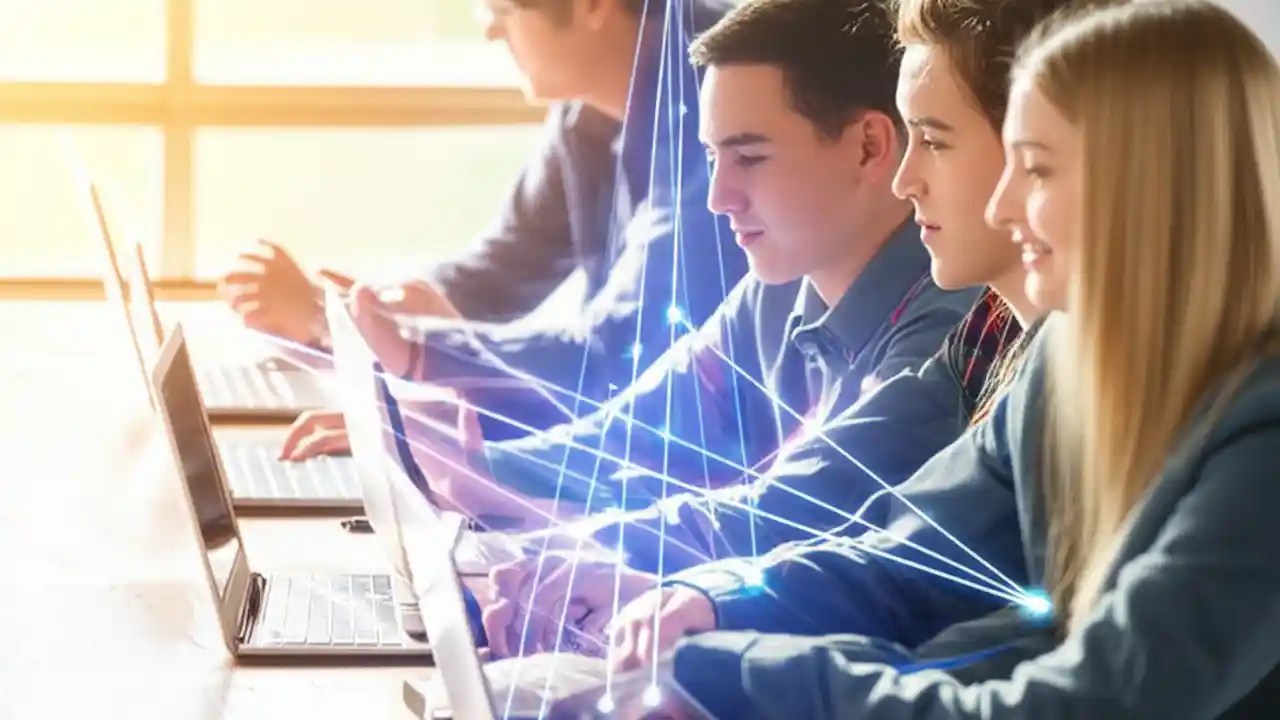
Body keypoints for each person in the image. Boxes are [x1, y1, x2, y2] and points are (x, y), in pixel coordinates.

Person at [606, 1, 1280, 716]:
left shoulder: (1264, 439)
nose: (1004, 205)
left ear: (1150, 184)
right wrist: (712, 606)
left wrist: (733, 672)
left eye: (1038, 169)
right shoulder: (1062, 357)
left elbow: (1095, 702)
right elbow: (905, 560)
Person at [476, 0, 1081, 660]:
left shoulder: (956, 322)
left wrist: (714, 649)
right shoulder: (990, 334)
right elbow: (891, 553)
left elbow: (818, 516)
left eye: (932, 141)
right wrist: (690, 599)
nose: (908, 181)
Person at [221, 0, 750, 451]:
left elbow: (615, 358)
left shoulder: (721, 120)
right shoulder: (590, 112)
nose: (492, 28)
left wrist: (385, 340)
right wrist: (354, 311)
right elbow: (498, 273)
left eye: (504, 8)